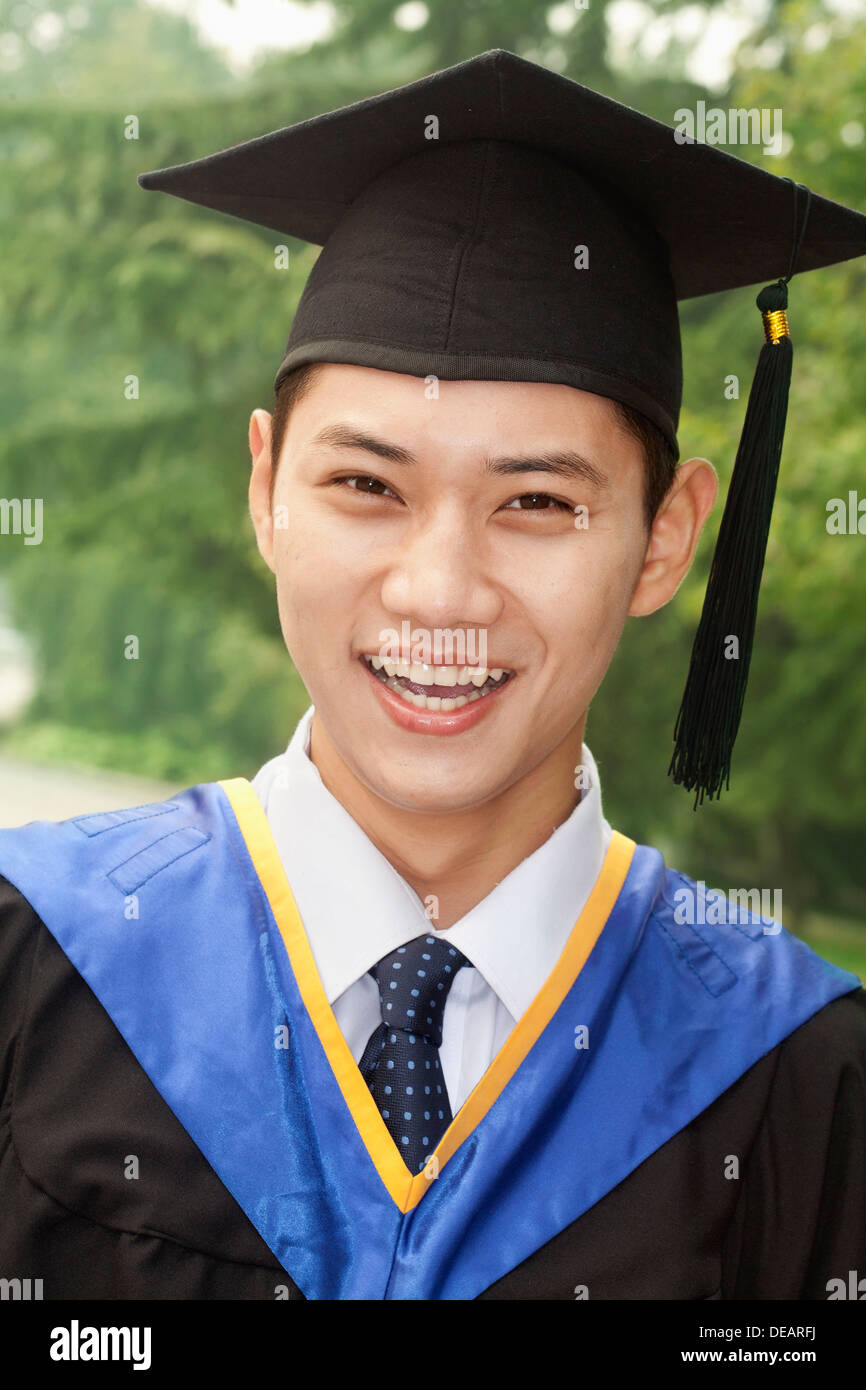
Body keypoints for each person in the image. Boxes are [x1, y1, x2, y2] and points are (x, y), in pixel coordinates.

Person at [1, 49, 864, 1301]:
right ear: (264, 489)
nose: (439, 590)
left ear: (664, 538)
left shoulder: (795, 1078)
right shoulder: (40, 963)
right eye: (366, 485)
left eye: (535, 500)